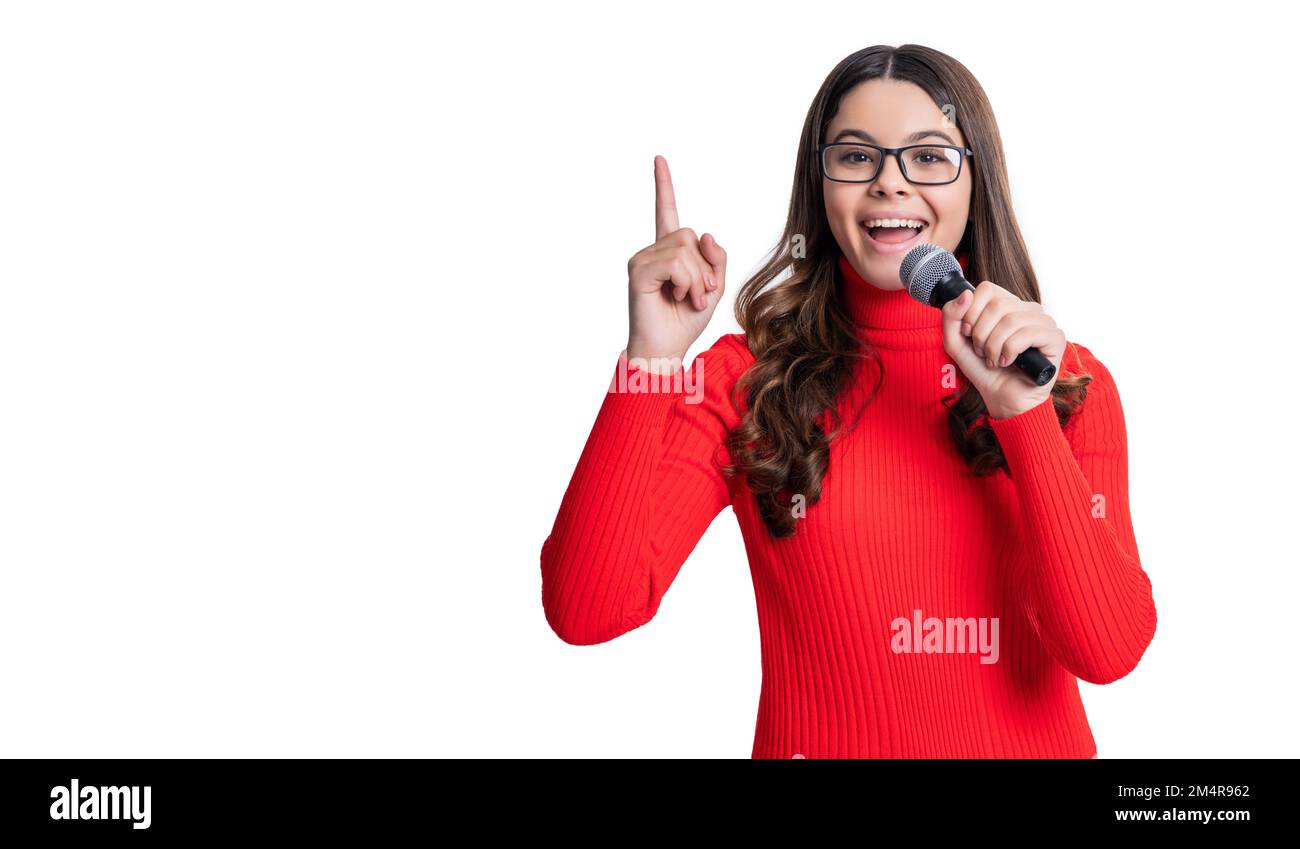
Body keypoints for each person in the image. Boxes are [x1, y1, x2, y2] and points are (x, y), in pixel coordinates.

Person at [539, 43, 1156, 758]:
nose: (890, 184)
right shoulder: (749, 380)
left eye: (929, 157)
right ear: (820, 183)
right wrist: (651, 360)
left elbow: (1107, 651)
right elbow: (587, 609)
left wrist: (1022, 416)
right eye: (858, 157)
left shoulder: (1067, 382)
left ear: (975, 182)